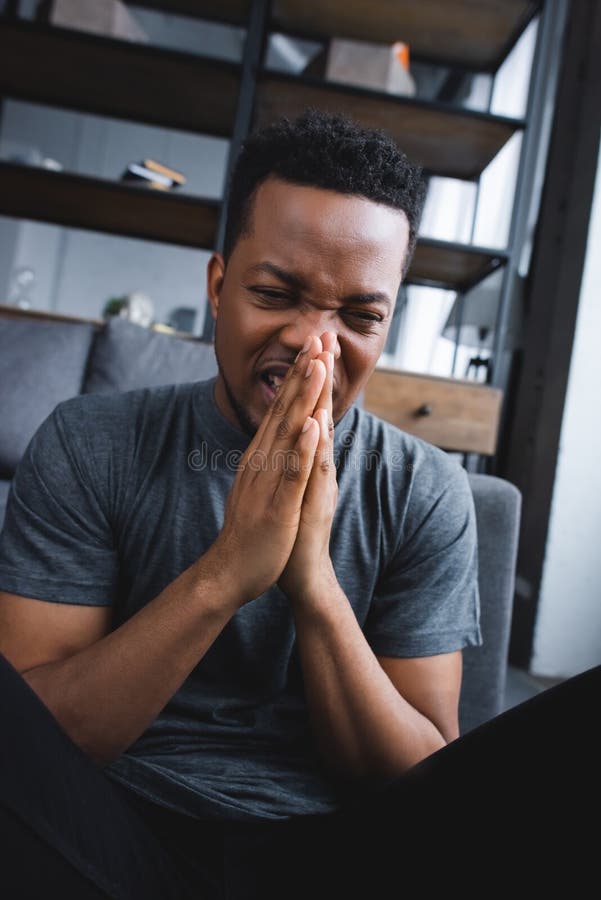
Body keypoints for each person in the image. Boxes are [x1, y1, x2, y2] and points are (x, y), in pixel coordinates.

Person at [0, 110, 598, 899]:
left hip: (340, 854)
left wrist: (311, 580)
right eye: (276, 293)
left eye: (359, 316)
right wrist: (225, 575)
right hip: (109, 828)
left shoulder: (423, 488)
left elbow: (422, 770)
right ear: (218, 288)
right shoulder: (92, 442)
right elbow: (34, 736)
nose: (315, 344)